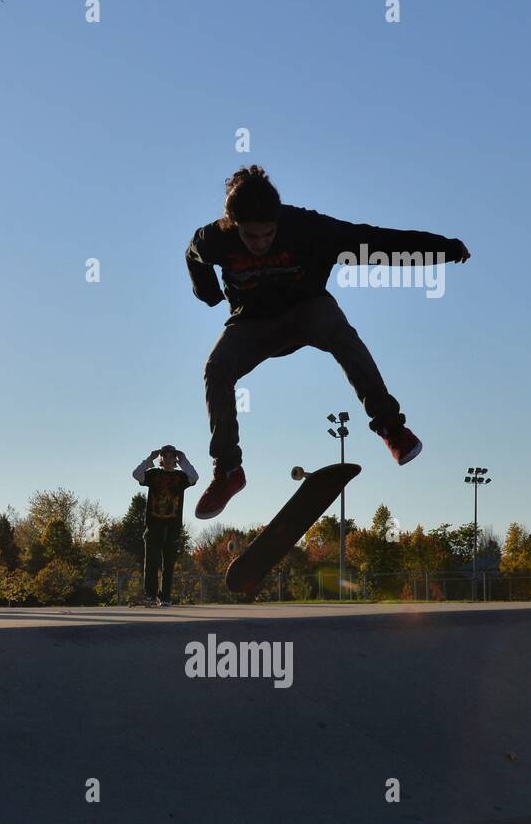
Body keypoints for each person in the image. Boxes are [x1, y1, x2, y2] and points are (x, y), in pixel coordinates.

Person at [185, 165, 470, 520]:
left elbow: (376, 242)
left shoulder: (310, 230)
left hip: (306, 311)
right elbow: (193, 256)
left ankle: (391, 427)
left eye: (267, 234)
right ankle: (229, 471)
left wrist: (442, 249)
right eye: (250, 236)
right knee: (216, 369)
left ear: (279, 221)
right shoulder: (213, 238)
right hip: (252, 323)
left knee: (340, 333)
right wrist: (209, 293)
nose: (259, 244)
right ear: (233, 224)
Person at [132, 445, 199, 606]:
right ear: (161, 459)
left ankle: (166, 597)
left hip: (172, 525)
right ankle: (150, 595)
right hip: (154, 524)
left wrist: (184, 461)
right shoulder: (154, 474)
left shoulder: (180, 477)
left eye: (171, 457)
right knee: (152, 561)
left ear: (174, 459)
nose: (168, 460)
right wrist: (150, 458)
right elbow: (136, 474)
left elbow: (194, 477)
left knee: (168, 563)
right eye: (165, 456)